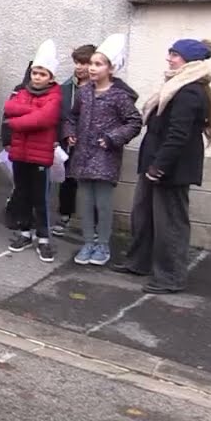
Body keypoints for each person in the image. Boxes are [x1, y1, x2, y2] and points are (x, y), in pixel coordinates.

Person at [115, 38, 211, 294]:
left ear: (190, 60)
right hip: (154, 163)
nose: (169, 58)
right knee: (144, 215)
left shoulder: (189, 91)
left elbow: (178, 135)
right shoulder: (176, 85)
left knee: (170, 223)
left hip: (170, 170)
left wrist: (158, 166)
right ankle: (139, 262)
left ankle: (171, 277)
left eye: (175, 55)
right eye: (170, 53)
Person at [64, 34, 142, 266]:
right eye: (91, 64)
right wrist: (70, 132)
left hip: (105, 156)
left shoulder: (119, 96)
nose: (92, 68)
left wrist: (112, 138)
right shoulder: (84, 92)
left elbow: (134, 122)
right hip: (83, 155)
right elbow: (71, 116)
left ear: (111, 68)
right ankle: (88, 242)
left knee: (103, 203)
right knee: (85, 201)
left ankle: (103, 244)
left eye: (98, 64)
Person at [2, 40, 63, 262]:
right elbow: (9, 108)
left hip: (40, 156)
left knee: (41, 198)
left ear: (51, 77)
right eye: (35, 73)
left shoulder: (55, 97)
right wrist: (32, 112)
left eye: (42, 74)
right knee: (22, 194)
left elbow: (45, 118)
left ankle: (44, 238)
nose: (37, 77)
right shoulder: (22, 91)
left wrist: (18, 122)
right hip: (20, 153)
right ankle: (25, 232)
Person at [54, 43, 97, 235]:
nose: (79, 67)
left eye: (84, 63)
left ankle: (94, 225)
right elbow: (62, 116)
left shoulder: (101, 87)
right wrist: (65, 135)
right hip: (68, 143)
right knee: (67, 180)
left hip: (91, 144)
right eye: (77, 63)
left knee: (91, 184)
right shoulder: (66, 87)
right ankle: (65, 216)